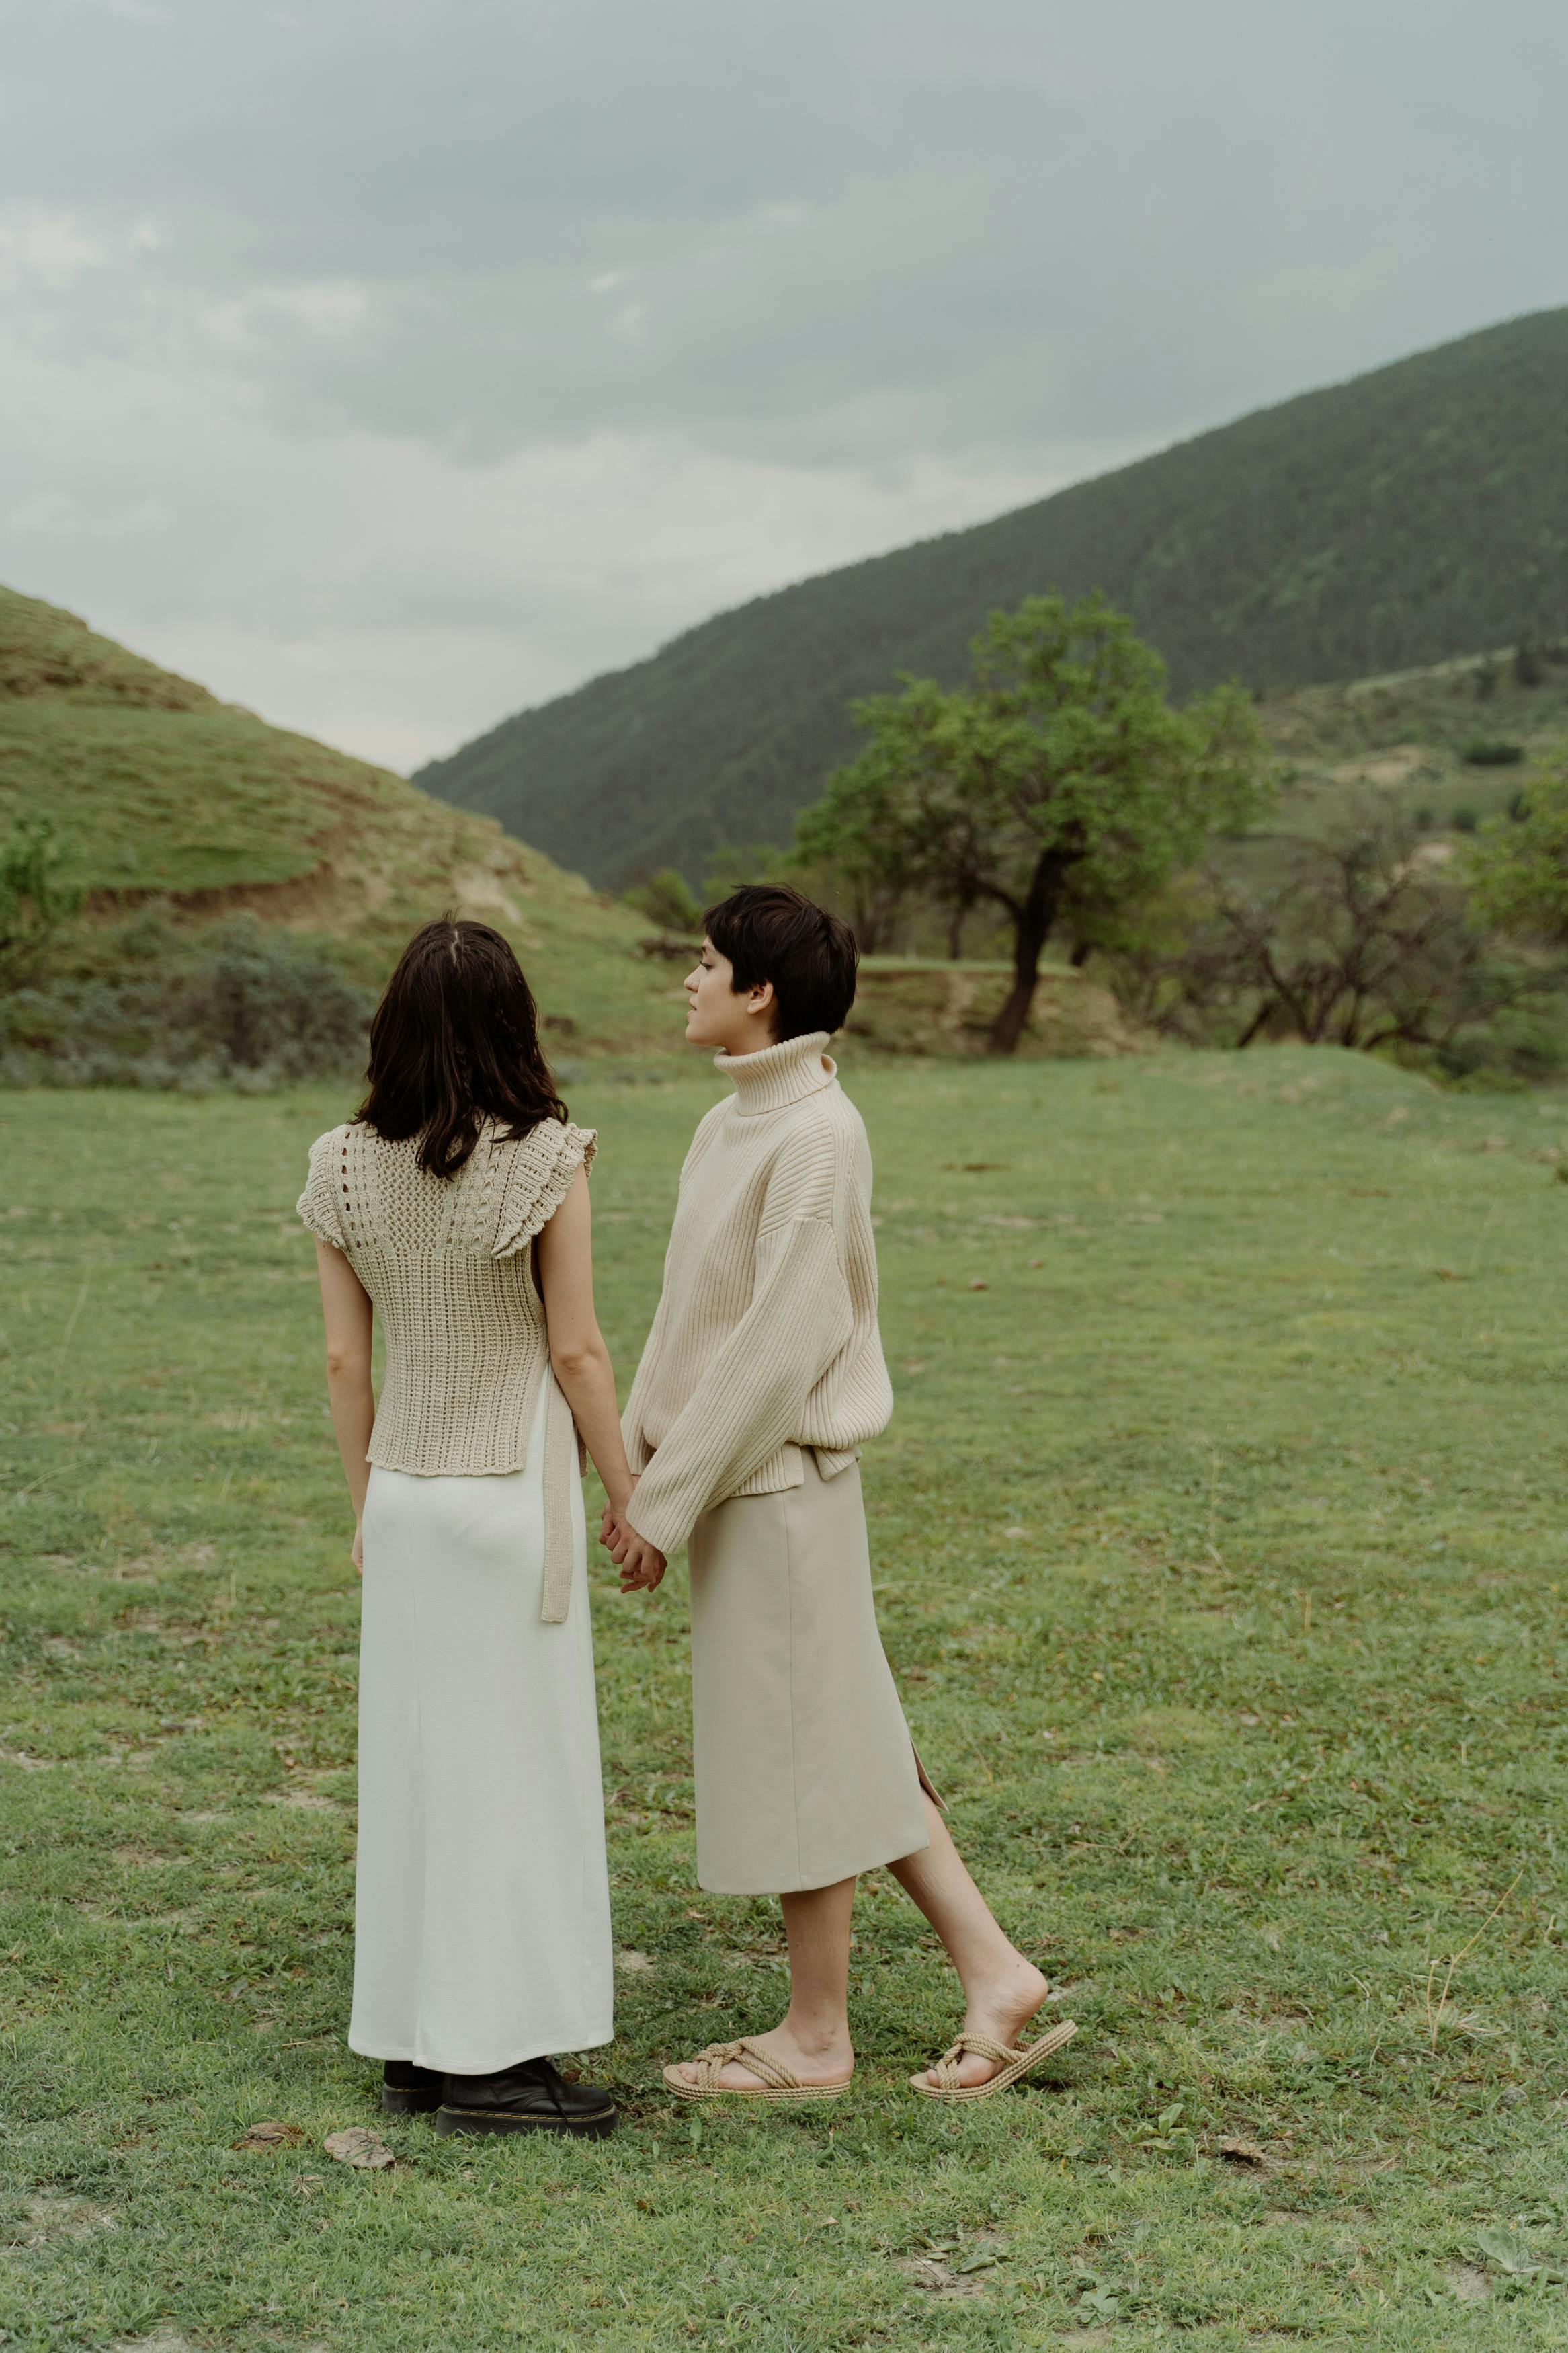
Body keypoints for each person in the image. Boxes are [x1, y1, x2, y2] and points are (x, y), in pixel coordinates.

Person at [602, 885, 1075, 2104]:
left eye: (706, 964)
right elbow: (687, 1317)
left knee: (805, 1752)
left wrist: (663, 1502)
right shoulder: (731, 1122)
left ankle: (816, 2039)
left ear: (760, 993)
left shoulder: (818, 1132)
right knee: (844, 1738)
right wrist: (638, 1466)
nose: (688, 980)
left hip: (779, 1487)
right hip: (736, 1484)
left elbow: (777, 1349)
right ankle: (996, 1972)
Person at [297, 918, 665, 2139]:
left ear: (393, 1024)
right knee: (512, 1775)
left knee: (417, 1771)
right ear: (516, 1024)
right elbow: (577, 1350)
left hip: (403, 1494)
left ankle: (417, 2048)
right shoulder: (547, 1157)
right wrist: (630, 1493)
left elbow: (344, 1362)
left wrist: (367, 1508)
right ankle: (494, 2067)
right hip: (509, 1495)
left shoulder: (341, 1165)